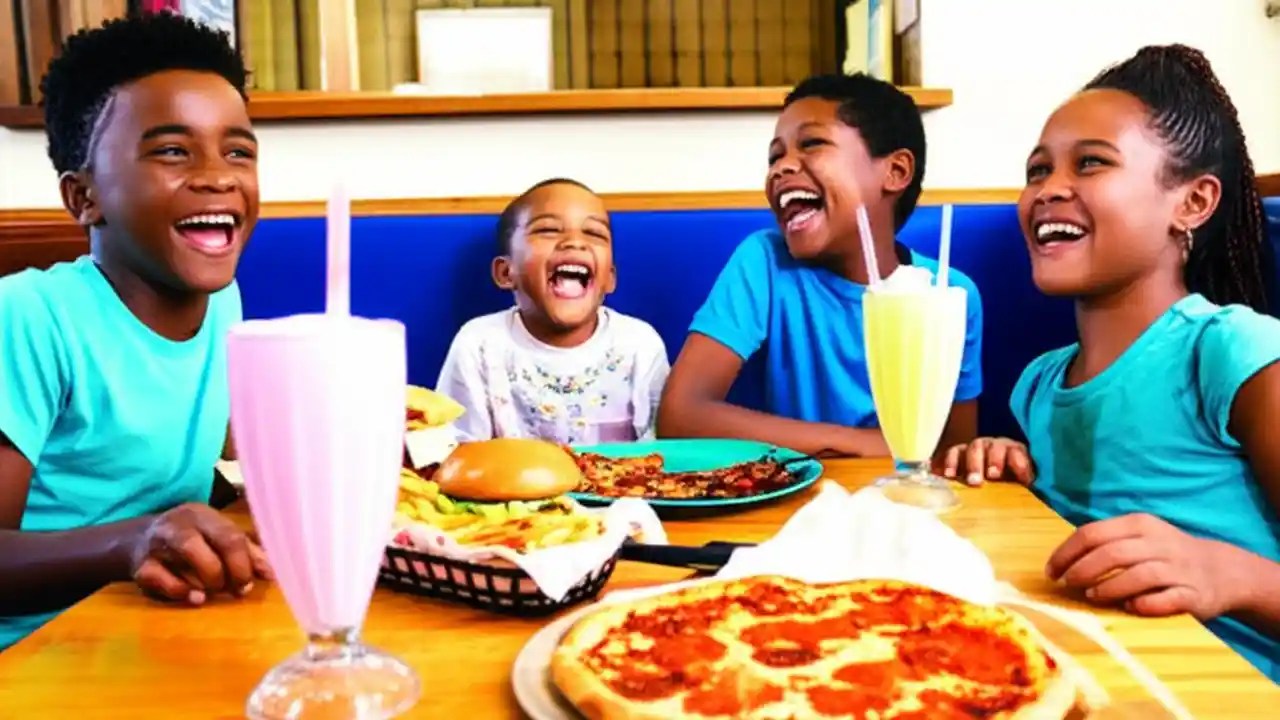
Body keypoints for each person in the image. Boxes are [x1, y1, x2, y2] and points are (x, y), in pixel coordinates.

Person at [940, 45, 1280, 681]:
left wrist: (1225, 573)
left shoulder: (1234, 351)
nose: (1049, 189)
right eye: (1036, 170)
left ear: (1193, 203)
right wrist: (997, 465)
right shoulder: (1037, 386)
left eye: (1090, 163)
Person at [0, 13, 270, 651]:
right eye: (173, 150)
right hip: (38, 655)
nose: (218, 175)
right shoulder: (31, 316)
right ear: (82, 197)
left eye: (239, 150)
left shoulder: (224, 301)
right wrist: (133, 540)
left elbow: (179, 463)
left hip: (163, 626)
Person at [657, 73, 983, 457]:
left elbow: (953, 450)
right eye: (775, 157)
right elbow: (681, 415)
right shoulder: (764, 262)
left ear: (895, 172)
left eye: (811, 144)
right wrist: (859, 444)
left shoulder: (950, 294)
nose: (780, 168)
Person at [436, 178, 669, 444]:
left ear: (609, 279)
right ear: (505, 272)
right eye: (548, 230)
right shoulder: (479, 343)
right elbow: (455, 451)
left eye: (593, 233)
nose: (574, 243)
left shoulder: (638, 343)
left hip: (620, 484)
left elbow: (663, 448)